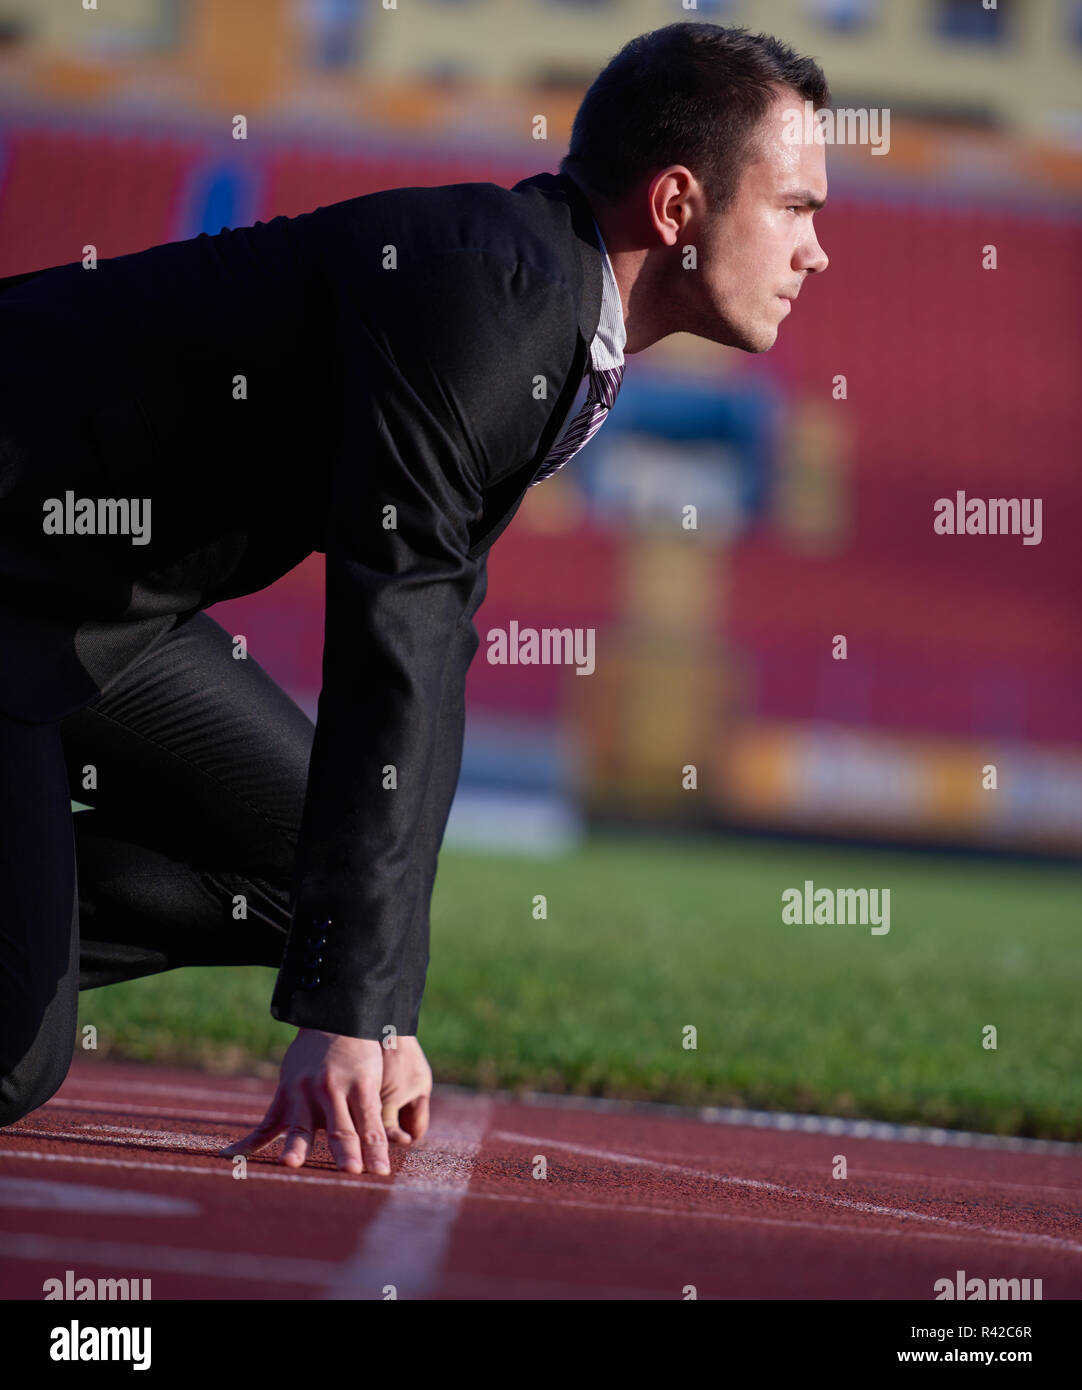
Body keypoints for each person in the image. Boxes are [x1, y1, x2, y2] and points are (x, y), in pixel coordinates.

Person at [0, 23, 829, 1173]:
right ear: (679, 204)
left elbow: (430, 673)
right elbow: (395, 641)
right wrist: (347, 1014)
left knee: (306, 862)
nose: (814, 252)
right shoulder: (493, 298)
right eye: (795, 208)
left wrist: (378, 998)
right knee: (11, 1053)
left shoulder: (548, 313)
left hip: (90, 601)